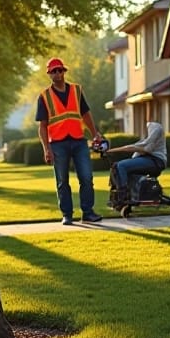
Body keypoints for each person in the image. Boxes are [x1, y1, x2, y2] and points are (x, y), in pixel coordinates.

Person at [35, 57, 104, 224]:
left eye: (60, 70)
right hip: (57, 143)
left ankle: (88, 212)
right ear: (49, 74)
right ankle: (67, 214)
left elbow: (86, 114)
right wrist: (46, 149)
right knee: (62, 181)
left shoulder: (76, 90)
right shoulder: (44, 96)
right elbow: (42, 126)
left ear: (64, 71)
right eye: (54, 71)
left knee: (86, 177)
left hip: (78, 140)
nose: (57, 73)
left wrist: (95, 133)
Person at [104, 121, 167, 205]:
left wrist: (112, 150)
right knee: (118, 166)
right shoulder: (147, 136)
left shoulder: (155, 128)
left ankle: (123, 196)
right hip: (149, 159)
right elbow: (136, 147)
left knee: (121, 166)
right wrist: (111, 151)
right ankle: (129, 195)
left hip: (156, 161)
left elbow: (143, 148)